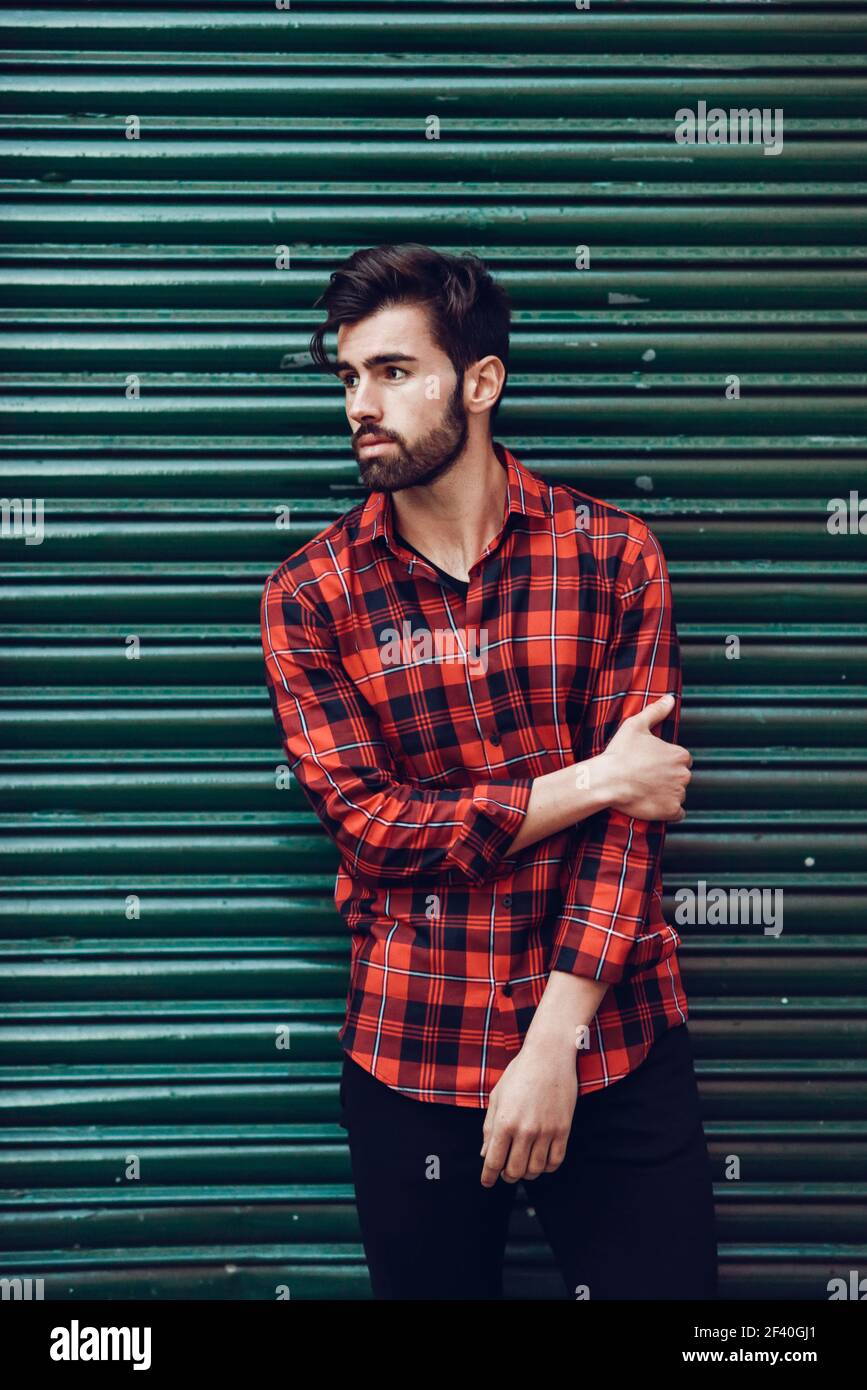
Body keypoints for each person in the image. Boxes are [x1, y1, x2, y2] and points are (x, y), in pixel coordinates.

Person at [260, 244, 719, 1301]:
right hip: (414, 1045)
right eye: (348, 377)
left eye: (393, 372)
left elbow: (633, 833)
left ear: (480, 382)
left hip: (611, 1044)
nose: (359, 405)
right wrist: (595, 780)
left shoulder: (613, 557)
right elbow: (373, 829)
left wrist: (554, 1041)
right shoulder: (310, 597)